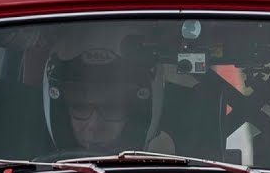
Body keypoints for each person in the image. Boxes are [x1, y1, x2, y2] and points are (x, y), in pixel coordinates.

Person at [42, 24, 174, 155]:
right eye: (79, 107)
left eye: (111, 108)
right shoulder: (31, 166)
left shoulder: (184, 159)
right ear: (63, 111)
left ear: (138, 111)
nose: (94, 126)